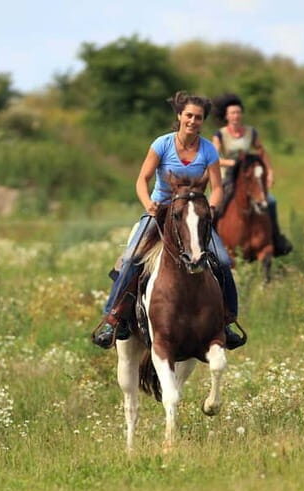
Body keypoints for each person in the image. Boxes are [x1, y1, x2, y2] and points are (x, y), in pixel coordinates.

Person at [91, 91, 246, 350]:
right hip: (161, 211)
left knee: (222, 260)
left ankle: (228, 321)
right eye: (189, 116)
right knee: (130, 259)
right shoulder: (162, 144)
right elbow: (142, 179)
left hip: (193, 214)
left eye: (198, 117)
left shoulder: (208, 150)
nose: (193, 121)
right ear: (179, 116)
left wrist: (213, 206)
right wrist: (148, 204)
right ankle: (113, 318)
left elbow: (217, 187)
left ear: (203, 121)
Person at [211, 93, 292, 256]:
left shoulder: (251, 132)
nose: (236, 116)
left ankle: (276, 239)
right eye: (232, 113)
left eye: (238, 112)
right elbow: (214, 158)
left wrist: (269, 171)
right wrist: (231, 163)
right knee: (214, 206)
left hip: (248, 176)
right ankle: (210, 243)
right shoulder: (220, 135)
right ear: (226, 116)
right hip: (228, 177)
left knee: (271, 201)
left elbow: (262, 152)